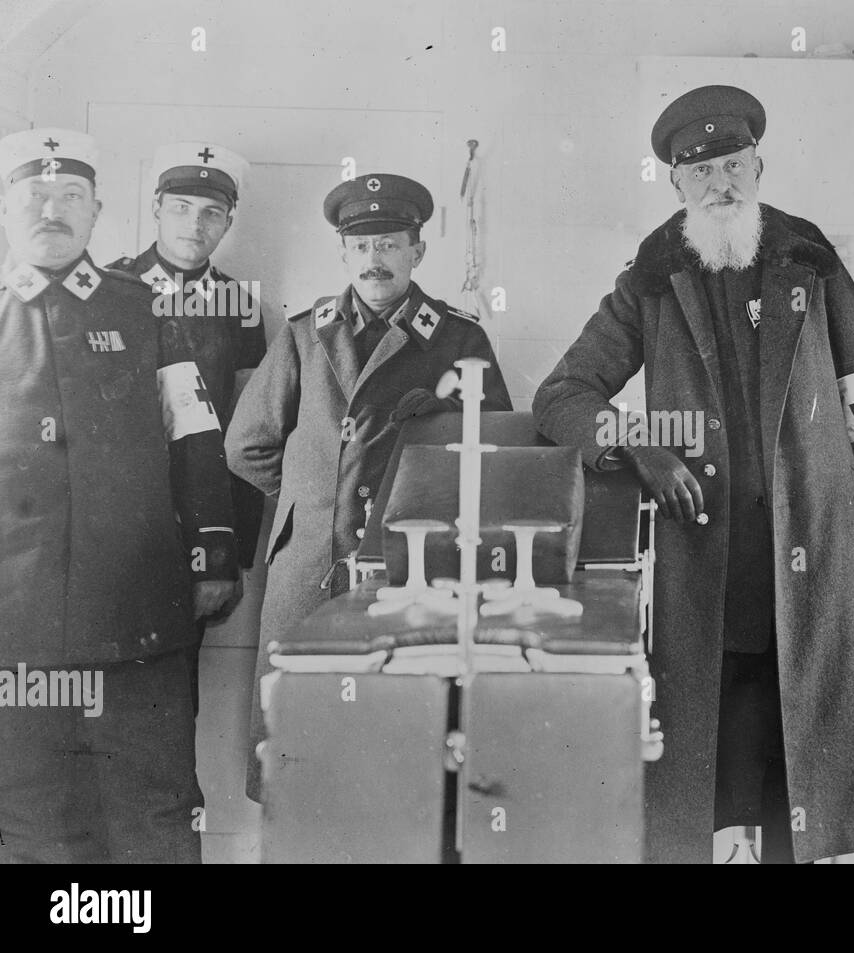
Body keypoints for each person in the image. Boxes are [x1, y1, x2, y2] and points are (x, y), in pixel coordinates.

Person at [533, 85, 854, 864]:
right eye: (703, 172)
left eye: (733, 166)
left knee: (807, 790)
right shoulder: (651, 279)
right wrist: (635, 444)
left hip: (819, 563)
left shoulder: (812, 261)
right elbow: (562, 394)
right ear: (676, 185)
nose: (721, 185)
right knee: (709, 791)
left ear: (760, 166)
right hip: (707, 578)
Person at [226, 172, 512, 799]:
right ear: (344, 253)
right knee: (297, 748)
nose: (374, 260)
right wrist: (309, 501)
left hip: (413, 570)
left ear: (417, 250)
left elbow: (490, 459)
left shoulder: (460, 340)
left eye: (389, 245)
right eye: (361, 246)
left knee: (398, 761)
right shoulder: (305, 334)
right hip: (308, 570)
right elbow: (246, 445)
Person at [0, 128, 240, 862]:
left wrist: (211, 558)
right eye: (35, 195)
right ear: (8, 209)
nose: (52, 208)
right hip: (15, 628)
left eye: (70, 195)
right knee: (33, 813)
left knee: (156, 806)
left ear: (98, 210)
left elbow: (196, 439)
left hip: (138, 614)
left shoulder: (144, 310)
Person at [110, 141, 267, 709]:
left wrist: (230, 550)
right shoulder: (111, 290)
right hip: (116, 525)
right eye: (180, 207)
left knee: (173, 700)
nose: (193, 224)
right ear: (155, 208)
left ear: (228, 221)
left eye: (210, 213)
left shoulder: (239, 305)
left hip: (200, 526)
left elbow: (252, 433)